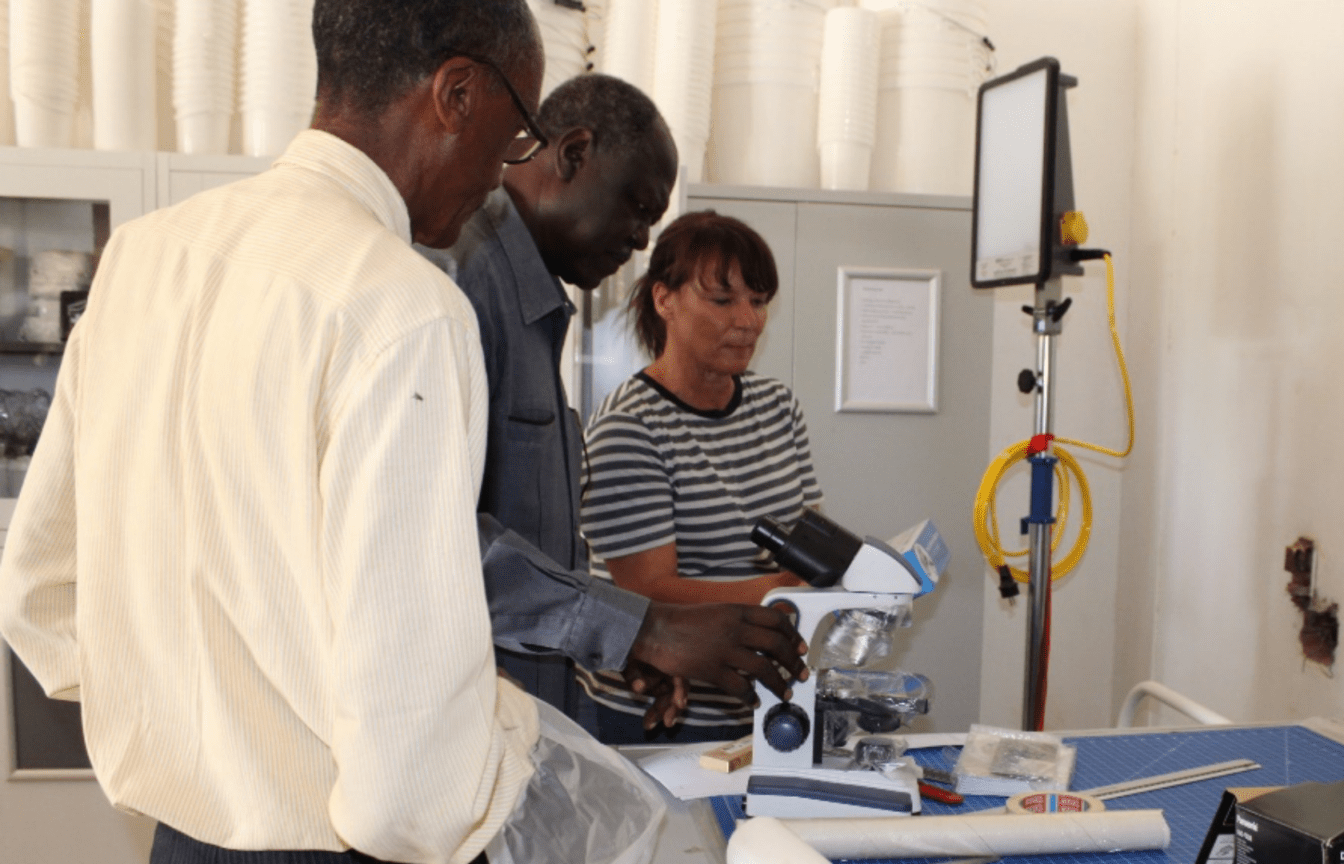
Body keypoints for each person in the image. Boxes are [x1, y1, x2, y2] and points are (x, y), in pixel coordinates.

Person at [0, 3, 798, 862]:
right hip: (338, 841)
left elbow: (40, 594)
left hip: (182, 837)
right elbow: (407, 793)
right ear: (457, 94)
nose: (502, 173)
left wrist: (204, 726)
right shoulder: (406, 308)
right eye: (512, 136)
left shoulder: (145, 254)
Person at [429, 72, 805, 733]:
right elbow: (435, 537)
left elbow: (540, 553)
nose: (640, 242)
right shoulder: (463, 283)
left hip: (532, 710)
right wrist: (639, 629)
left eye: (757, 301)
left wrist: (620, 644)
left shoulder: (535, 309)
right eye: (638, 208)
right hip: (463, 715)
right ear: (573, 154)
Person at [579, 210, 825, 743]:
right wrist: (779, 591)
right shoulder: (629, 427)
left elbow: (808, 542)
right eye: (722, 300)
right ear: (664, 299)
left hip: (762, 703)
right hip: (661, 713)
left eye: (758, 301)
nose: (748, 320)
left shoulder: (778, 407)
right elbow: (646, 591)